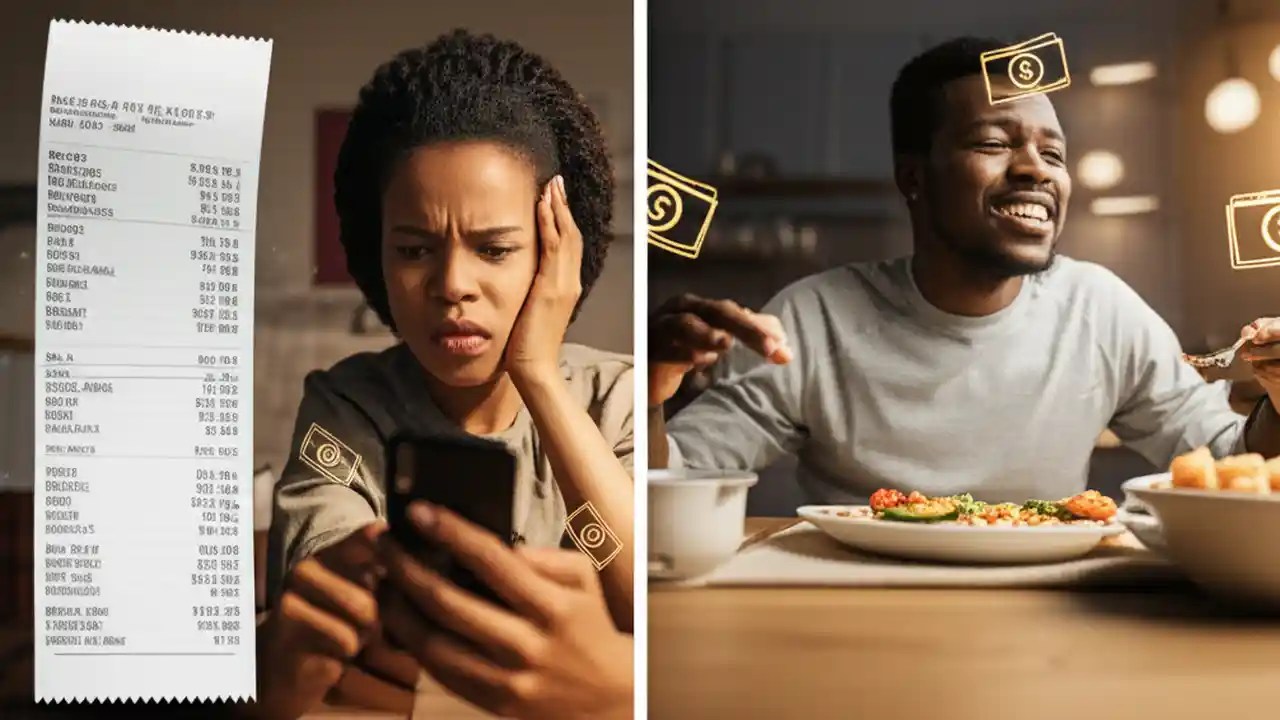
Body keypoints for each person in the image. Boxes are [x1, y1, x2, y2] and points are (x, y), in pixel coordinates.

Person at [649, 36, 1280, 503]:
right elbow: (672, 474)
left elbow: (1232, 461)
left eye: (1052, 152)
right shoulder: (810, 321)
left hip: (1048, 622)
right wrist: (652, 392)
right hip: (853, 610)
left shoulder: (1102, 311)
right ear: (914, 176)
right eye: (994, 143)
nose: (1036, 168)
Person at [253, 29, 634, 720]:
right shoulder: (347, 408)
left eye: (495, 249)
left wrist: (539, 377)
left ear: (555, 256)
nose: (453, 284)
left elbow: (649, 608)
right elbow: (341, 637)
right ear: (378, 259)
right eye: (414, 249)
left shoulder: (615, 397)